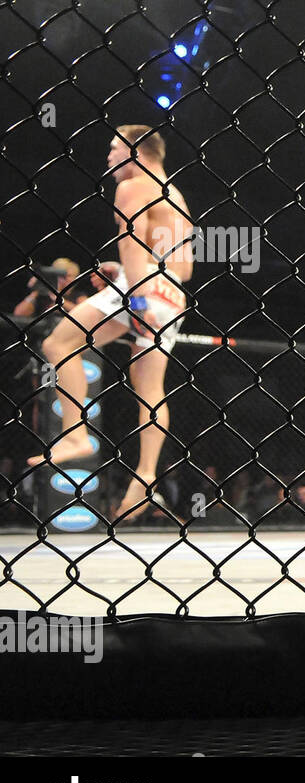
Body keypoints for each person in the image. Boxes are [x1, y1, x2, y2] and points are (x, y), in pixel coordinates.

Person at [27, 125, 191, 522]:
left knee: (59, 344)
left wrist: (133, 295)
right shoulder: (175, 194)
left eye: (115, 148)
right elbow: (182, 267)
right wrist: (135, 279)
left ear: (136, 151)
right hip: (172, 294)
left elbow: (131, 240)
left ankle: (76, 434)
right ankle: (146, 475)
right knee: (150, 389)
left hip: (141, 289)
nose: (109, 157)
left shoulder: (134, 184)